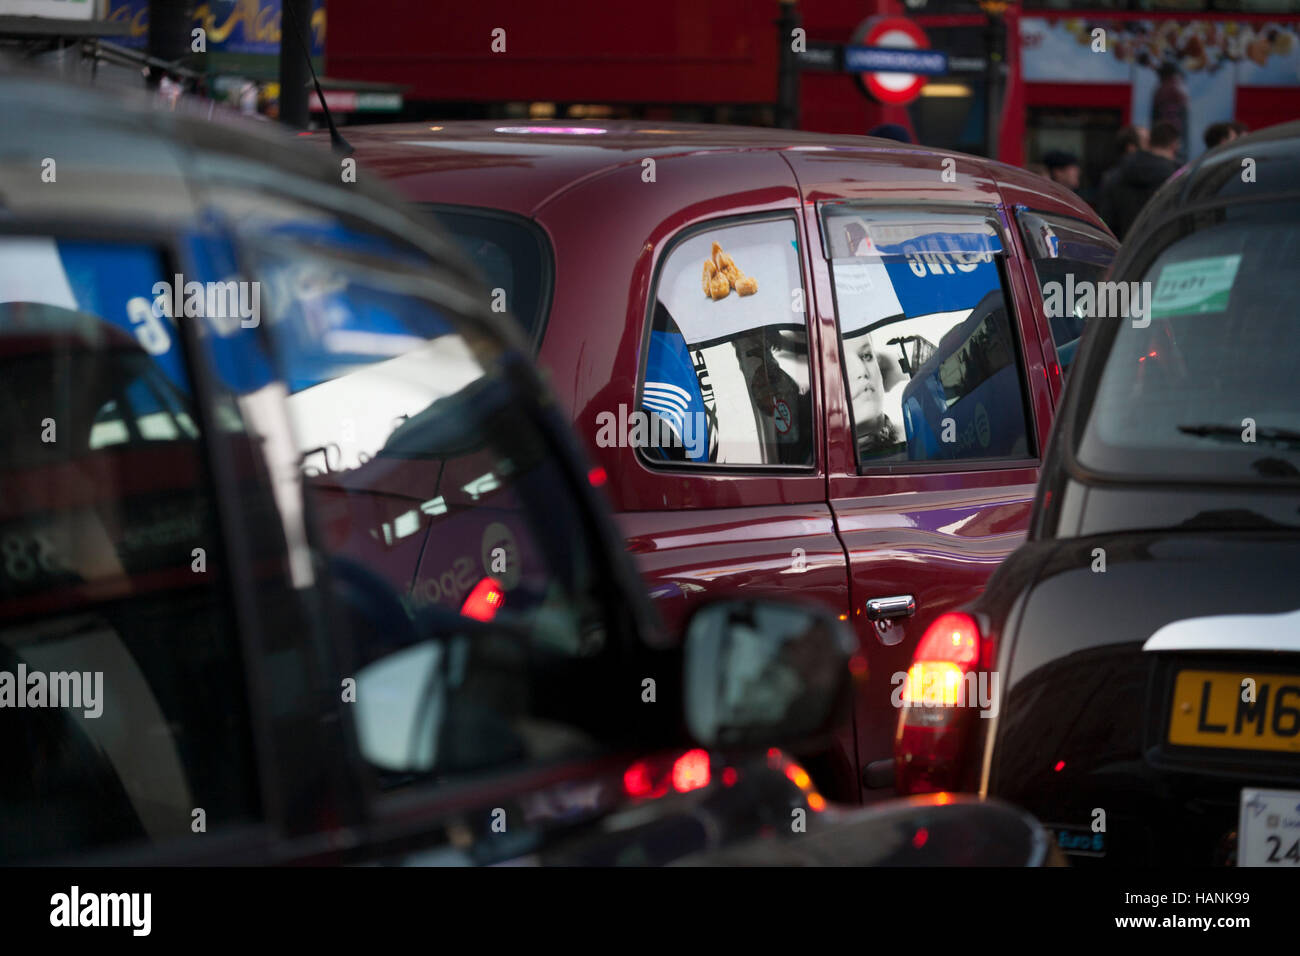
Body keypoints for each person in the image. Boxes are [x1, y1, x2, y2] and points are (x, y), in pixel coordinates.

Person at [1096, 121, 1181, 241]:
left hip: (1123, 250)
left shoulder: (1112, 178)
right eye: (1147, 142)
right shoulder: (1173, 174)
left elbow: (1106, 221)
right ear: (1131, 148)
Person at [1096, 125, 1147, 202]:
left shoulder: (1109, 176)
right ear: (1131, 148)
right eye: (1146, 142)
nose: (1150, 147)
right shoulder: (1138, 178)